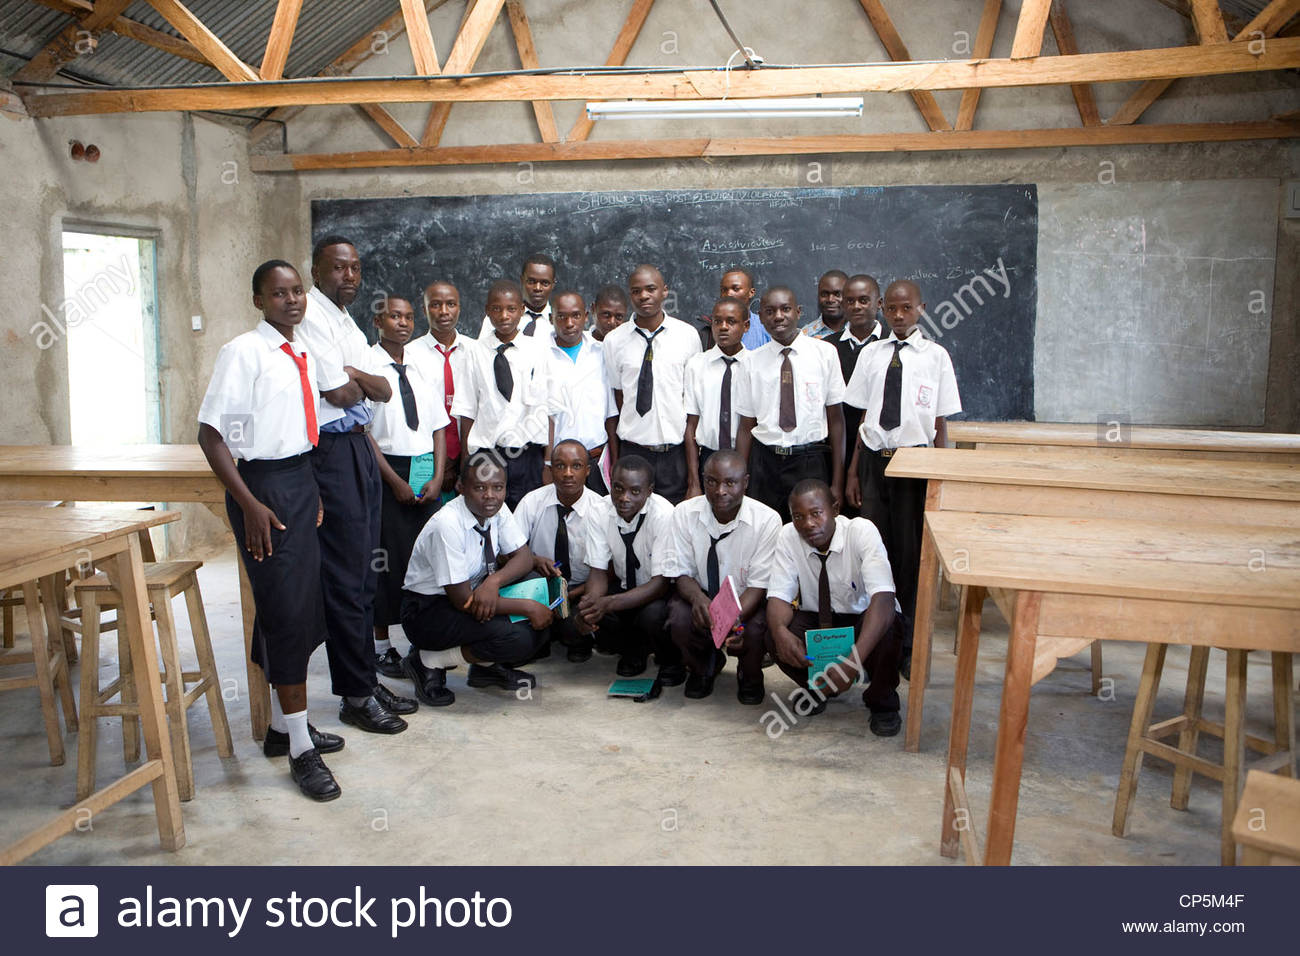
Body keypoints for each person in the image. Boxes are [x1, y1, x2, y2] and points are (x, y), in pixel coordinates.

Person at [197, 260, 351, 800]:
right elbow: (214, 436)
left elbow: (291, 430)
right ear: (258, 300)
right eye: (278, 293)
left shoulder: (301, 352)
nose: (291, 300)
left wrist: (309, 491)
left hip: (298, 481)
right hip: (262, 489)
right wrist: (251, 503)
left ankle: (283, 728)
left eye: (296, 291)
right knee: (285, 612)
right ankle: (301, 752)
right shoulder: (245, 352)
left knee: (300, 608)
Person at [298, 235, 416, 735]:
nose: (349, 276)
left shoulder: (344, 320)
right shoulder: (308, 317)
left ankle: (365, 679)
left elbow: (380, 388)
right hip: (328, 451)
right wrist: (357, 379)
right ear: (316, 269)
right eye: (338, 268)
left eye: (355, 268)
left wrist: (357, 379)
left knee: (366, 576)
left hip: (358, 444)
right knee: (347, 579)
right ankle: (353, 694)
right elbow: (341, 391)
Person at [845, 279, 961, 679]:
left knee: (910, 559)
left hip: (915, 465)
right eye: (890, 308)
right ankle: (874, 643)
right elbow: (862, 418)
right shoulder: (871, 354)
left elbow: (941, 423)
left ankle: (908, 645)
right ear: (881, 307)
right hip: (874, 465)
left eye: (905, 308)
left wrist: (943, 478)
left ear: (921, 308)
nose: (897, 315)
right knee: (872, 554)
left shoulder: (936, 357)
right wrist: (852, 474)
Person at [400, 449, 551, 706]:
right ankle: (427, 661)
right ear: (461, 487)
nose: (490, 495)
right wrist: (527, 606)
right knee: (519, 636)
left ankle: (485, 668)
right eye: (480, 487)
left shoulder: (496, 509)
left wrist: (494, 583)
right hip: (428, 611)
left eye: (497, 487)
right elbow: (462, 601)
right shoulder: (448, 524)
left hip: (475, 591)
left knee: (536, 594)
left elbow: (523, 557)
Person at [766, 480, 904, 737]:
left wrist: (851, 664)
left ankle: (882, 701)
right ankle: (818, 688)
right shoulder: (788, 536)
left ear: (835, 509)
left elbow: (884, 598)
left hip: (864, 620)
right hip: (820, 619)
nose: (807, 523)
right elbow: (778, 597)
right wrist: (779, 632)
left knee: (889, 627)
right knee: (774, 631)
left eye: (816, 513)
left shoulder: (861, 531)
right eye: (798, 516)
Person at [367, 295, 449, 680]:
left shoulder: (421, 365)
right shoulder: (367, 365)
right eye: (393, 316)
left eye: (408, 317)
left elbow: (438, 426)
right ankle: (381, 647)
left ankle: (422, 639)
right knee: (385, 560)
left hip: (424, 468)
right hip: (388, 470)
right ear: (378, 321)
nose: (402, 323)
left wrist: (437, 476)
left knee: (427, 559)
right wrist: (394, 481)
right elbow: (364, 433)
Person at [666, 450, 779, 703]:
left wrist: (732, 619)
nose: (720, 491)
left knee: (758, 625)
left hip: (745, 600)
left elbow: (759, 585)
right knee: (678, 615)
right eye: (712, 481)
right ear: (703, 480)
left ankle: (749, 674)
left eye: (730, 482)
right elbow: (681, 572)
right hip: (702, 594)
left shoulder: (767, 520)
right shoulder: (684, 513)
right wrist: (697, 599)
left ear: (745, 483)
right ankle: (703, 667)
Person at [735, 286, 846, 522]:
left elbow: (836, 421)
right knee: (765, 535)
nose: (778, 316)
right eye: (769, 311)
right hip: (765, 462)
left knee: (810, 533)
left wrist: (837, 482)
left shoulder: (825, 353)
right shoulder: (751, 362)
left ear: (798, 312)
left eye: (785, 309)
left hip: (810, 460)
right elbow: (746, 426)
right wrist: (741, 479)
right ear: (761, 318)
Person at [602, 264, 701, 503]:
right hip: (633, 450)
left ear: (664, 291)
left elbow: (692, 404)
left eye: (651, 289)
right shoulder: (614, 341)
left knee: (674, 527)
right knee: (632, 523)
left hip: (674, 454)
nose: (644, 296)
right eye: (636, 291)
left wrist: (693, 478)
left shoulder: (687, 336)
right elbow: (619, 397)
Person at [455, 279, 550, 510]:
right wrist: (466, 462)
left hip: (527, 455)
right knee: (487, 517)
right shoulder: (475, 352)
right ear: (487, 311)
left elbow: (547, 408)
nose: (504, 316)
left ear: (521, 311)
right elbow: (467, 409)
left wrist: (547, 460)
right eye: (496, 309)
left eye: (511, 309)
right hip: (487, 453)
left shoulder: (537, 349)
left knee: (524, 519)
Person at [579, 455, 675, 680]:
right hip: (624, 588)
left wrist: (609, 603)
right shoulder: (599, 511)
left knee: (652, 616)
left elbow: (660, 584)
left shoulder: (664, 515)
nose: (624, 498)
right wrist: (591, 608)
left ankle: (670, 657)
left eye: (635, 491)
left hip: (659, 592)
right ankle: (635, 650)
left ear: (649, 490)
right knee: (588, 611)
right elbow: (598, 571)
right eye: (618, 488)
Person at [513, 440, 604, 662]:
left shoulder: (601, 509)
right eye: (560, 466)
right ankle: (540, 638)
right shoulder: (532, 502)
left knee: (574, 627)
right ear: (551, 469)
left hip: (580, 588)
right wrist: (533, 560)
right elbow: (508, 552)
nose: (568, 473)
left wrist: (575, 593)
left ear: (588, 471)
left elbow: (608, 568)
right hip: (542, 586)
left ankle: (574, 638)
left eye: (576, 466)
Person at [408, 280, 477, 503]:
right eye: (436, 305)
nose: (444, 311)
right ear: (424, 309)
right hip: (426, 458)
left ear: (459, 307)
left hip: (471, 454)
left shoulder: (476, 351)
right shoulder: (409, 355)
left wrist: (464, 461)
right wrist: (440, 462)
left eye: (451, 304)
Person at [546, 290, 618, 495]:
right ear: (551, 318)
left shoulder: (602, 353)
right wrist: (547, 463)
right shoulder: (539, 355)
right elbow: (543, 417)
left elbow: (611, 415)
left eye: (576, 315)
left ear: (586, 317)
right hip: (557, 464)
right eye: (562, 316)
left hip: (595, 460)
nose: (569, 323)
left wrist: (615, 459)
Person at [683, 296, 749, 498]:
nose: (723, 327)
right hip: (709, 456)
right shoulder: (697, 365)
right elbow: (691, 425)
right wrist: (694, 481)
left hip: (746, 456)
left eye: (731, 321)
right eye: (717, 321)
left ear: (745, 326)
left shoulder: (755, 365)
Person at [834, 274, 885, 511]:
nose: (856, 306)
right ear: (843, 304)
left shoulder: (894, 345)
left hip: (878, 450)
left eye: (864, 300)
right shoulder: (827, 348)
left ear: (879, 303)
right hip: (836, 449)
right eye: (850, 301)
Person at [477, 252, 557, 340]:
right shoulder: (498, 316)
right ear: (522, 280)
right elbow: (482, 350)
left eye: (545, 283)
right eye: (531, 281)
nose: (537, 288)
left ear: (553, 284)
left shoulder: (559, 321)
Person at [720, 267, 771, 350]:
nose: (728, 294)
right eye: (724, 290)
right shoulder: (711, 329)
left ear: (751, 293)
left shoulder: (766, 327)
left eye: (736, 289)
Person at [801, 269, 849, 340]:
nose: (830, 299)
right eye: (824, 294)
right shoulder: (805, 336)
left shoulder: (862, 331)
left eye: (838, 294)